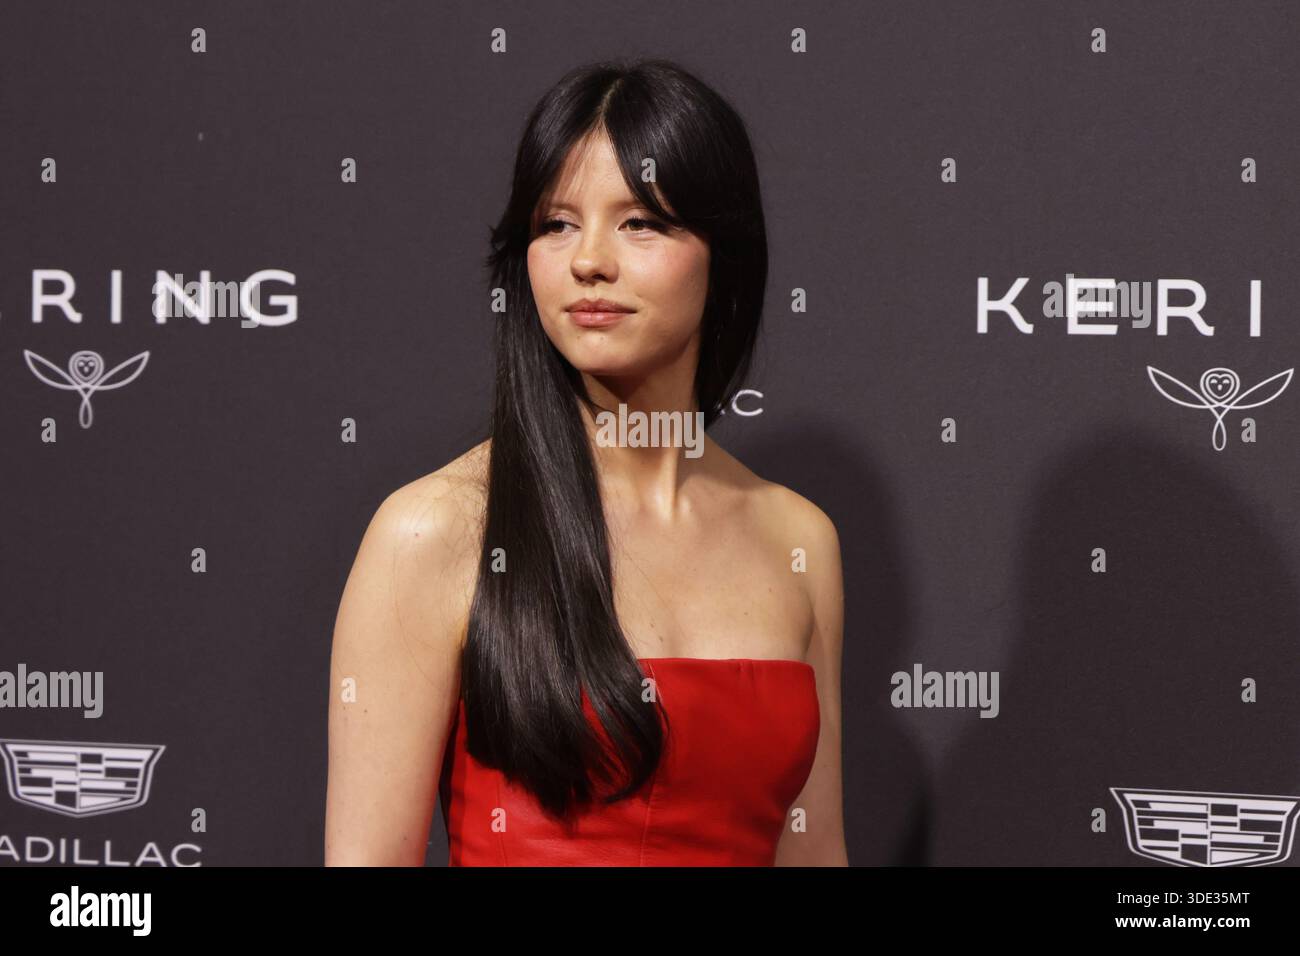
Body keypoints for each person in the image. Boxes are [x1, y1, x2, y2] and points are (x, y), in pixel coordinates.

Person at [325, 58, 846, 866]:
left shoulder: (798, 540)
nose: (588, 260)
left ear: (725, 253)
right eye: (555, 224)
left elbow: (815, 854)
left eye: (641, 222)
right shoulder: (434, 530)